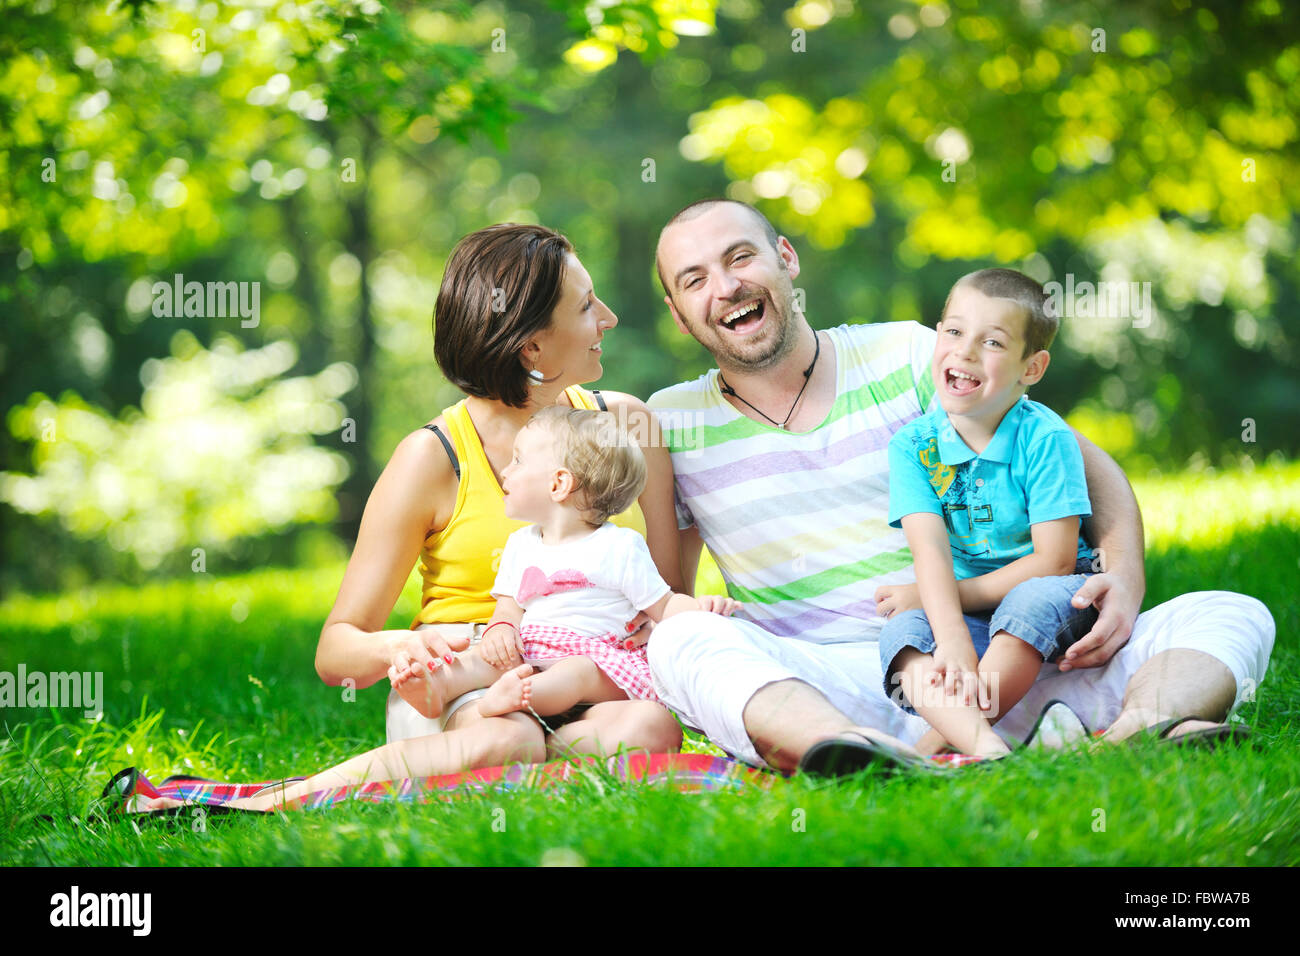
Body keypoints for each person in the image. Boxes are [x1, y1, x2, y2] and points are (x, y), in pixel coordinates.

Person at [644, 197, 1275, 774]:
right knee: (681, 639)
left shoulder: (910, 357)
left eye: (741, 257)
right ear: (676, 314)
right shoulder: (670, 423)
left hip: (999, 661)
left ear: (786, 257)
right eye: (694, 279)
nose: (726, 287)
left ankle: (1133, 733)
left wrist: (1125, 577)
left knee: (1228, 611)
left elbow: (1081, 461)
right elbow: (665, 594)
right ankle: (860, 754)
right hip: (818, 684)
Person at [298, 224, 685, 794]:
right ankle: (301, 793)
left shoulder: (625, 425)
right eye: (584, 307)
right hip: (469, 682)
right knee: (511, 738)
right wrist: (402, 648)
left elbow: (665, 592)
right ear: (531, 346)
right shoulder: (432, 457)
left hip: (586, 673)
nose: (608, 317)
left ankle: (520, 767)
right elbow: (337, 650)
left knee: (652, 730)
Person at [880, 268, 1100, 757]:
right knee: (904, 634)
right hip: (973, 611)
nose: (965, 351)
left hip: (1056, 595)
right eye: (954, 331)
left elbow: (1055, 562)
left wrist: (949, 602)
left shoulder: (1045, 438)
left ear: (1032, 368)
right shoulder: (912, 446)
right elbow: (930, 552)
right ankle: (984, 745)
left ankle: (933, 746)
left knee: (1028, 604)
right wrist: (952, 634)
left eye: (993, 343)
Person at [435, 405, 740, 722]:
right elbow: (510, 607)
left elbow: (663, 605)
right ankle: (437, 684)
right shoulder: (521, 544)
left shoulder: (618, 546)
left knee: (574, 671)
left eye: (518, 460)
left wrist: (701, 610)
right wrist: (501, 628)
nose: (505, 472)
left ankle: (520, 698)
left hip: (596, 664)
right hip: (535, 650)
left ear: (559, 484)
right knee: (488, 656)